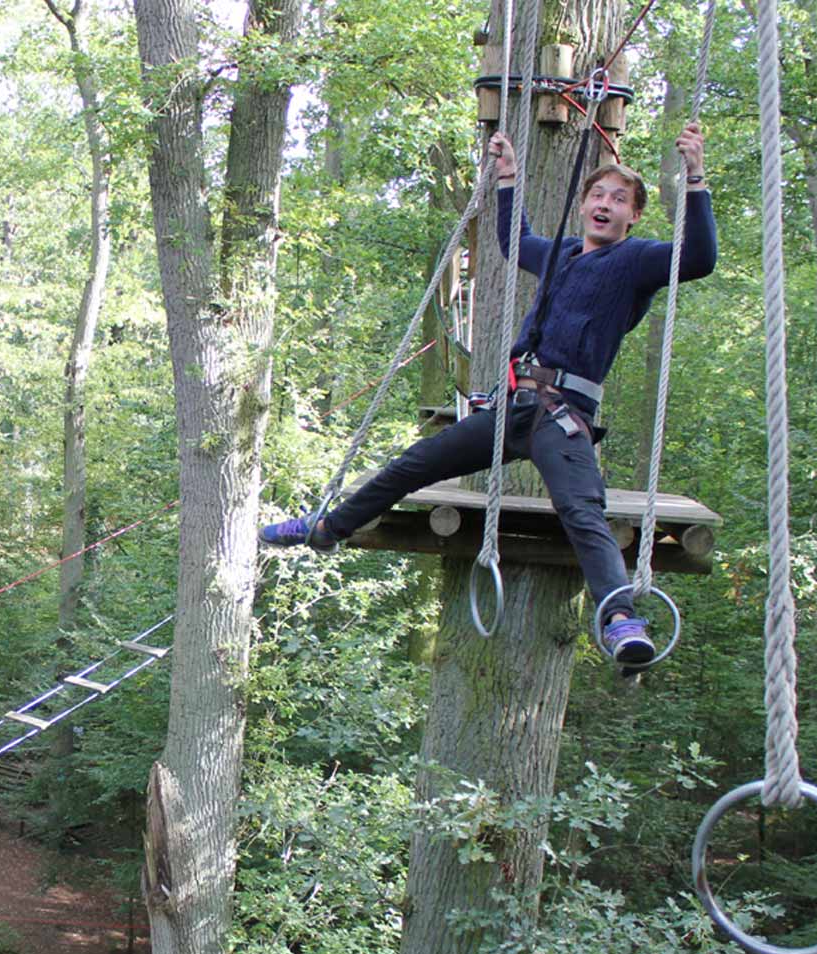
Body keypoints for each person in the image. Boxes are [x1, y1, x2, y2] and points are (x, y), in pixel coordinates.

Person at [263, 122, 717, 667]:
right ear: (583, 205)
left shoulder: (636, 260)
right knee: (417, 462)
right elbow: (515, 242)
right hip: (514, 409)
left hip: (562, 415)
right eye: (597, 195)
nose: (605, 204)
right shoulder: (563, 255)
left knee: (582, 509)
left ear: (634, 215)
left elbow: (698, 260)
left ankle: (621, 620)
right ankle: (328, 528)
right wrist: (507, 178)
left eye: (619, 199)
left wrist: (695, 177)